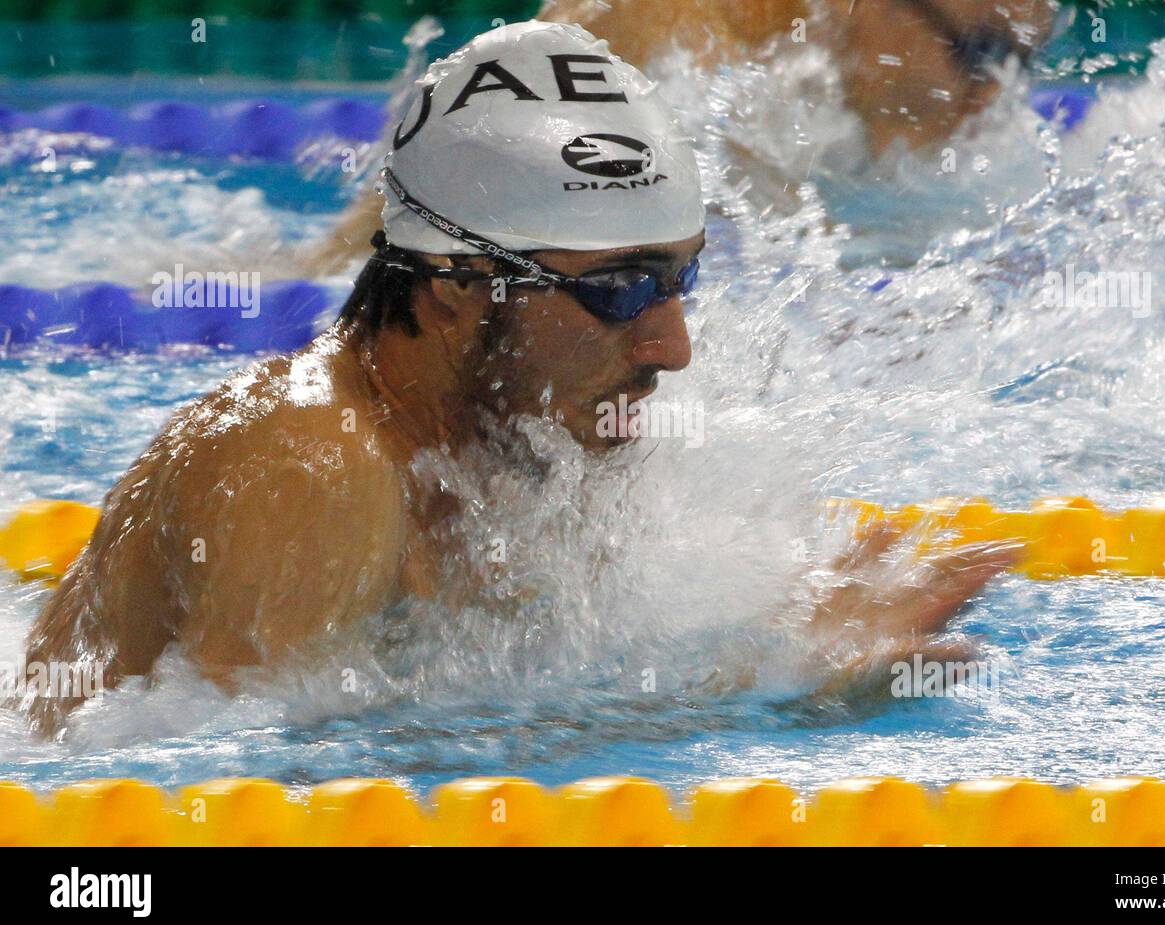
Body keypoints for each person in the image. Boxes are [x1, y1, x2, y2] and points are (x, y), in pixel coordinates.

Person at [22, 22, 1014, 735]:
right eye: (622, 289)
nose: (672, 345)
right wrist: (763, 690)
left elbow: (505, 692)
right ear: (455, 288)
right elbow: (250, 799)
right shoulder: (308, 465)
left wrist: (776, 635)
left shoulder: (519, 440)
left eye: (681, 278)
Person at [300, 0, 1057, 277]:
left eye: (1022, 64)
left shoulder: (800, 65)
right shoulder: (676, 32)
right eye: (982, 54)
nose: (993, 98)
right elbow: (766, 275)